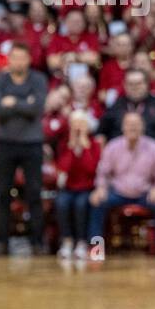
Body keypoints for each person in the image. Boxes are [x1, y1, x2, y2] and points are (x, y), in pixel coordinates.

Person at [0, 43, 48, 254]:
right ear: (9, 60)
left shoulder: (38, 79)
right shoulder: (0, 80)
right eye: (15, 57)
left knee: (34, 192)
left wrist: (12, 103)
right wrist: (24, 103)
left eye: (22, 57)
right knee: (3, 193)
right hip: (5, 143)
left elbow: (36, 108)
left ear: (29, 59)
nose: (18, 62)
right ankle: (1, 241)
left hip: (32, 143)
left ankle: (37, 241)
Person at [87, 111, 155, 259]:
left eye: (136, 124)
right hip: (118, 192)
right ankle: (96, 248)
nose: (132, 128)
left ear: (142, 127)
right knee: (97, 202)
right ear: (123, 127)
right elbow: (103, 173)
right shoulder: (112, 147)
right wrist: (100, 189)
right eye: (129, 124)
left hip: (144, 193)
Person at [54, 110, 103, 260]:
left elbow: (91, 169)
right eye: (74, 124)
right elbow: (63, 168)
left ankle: (82, 242)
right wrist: (71, 148)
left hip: (87, 188)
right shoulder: (64, 145)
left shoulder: (94, 144)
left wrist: (85, 148)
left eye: (81, 124)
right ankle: (67, 241)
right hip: (68, 188)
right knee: (61, 203)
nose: (77, 128)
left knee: (81, 205)